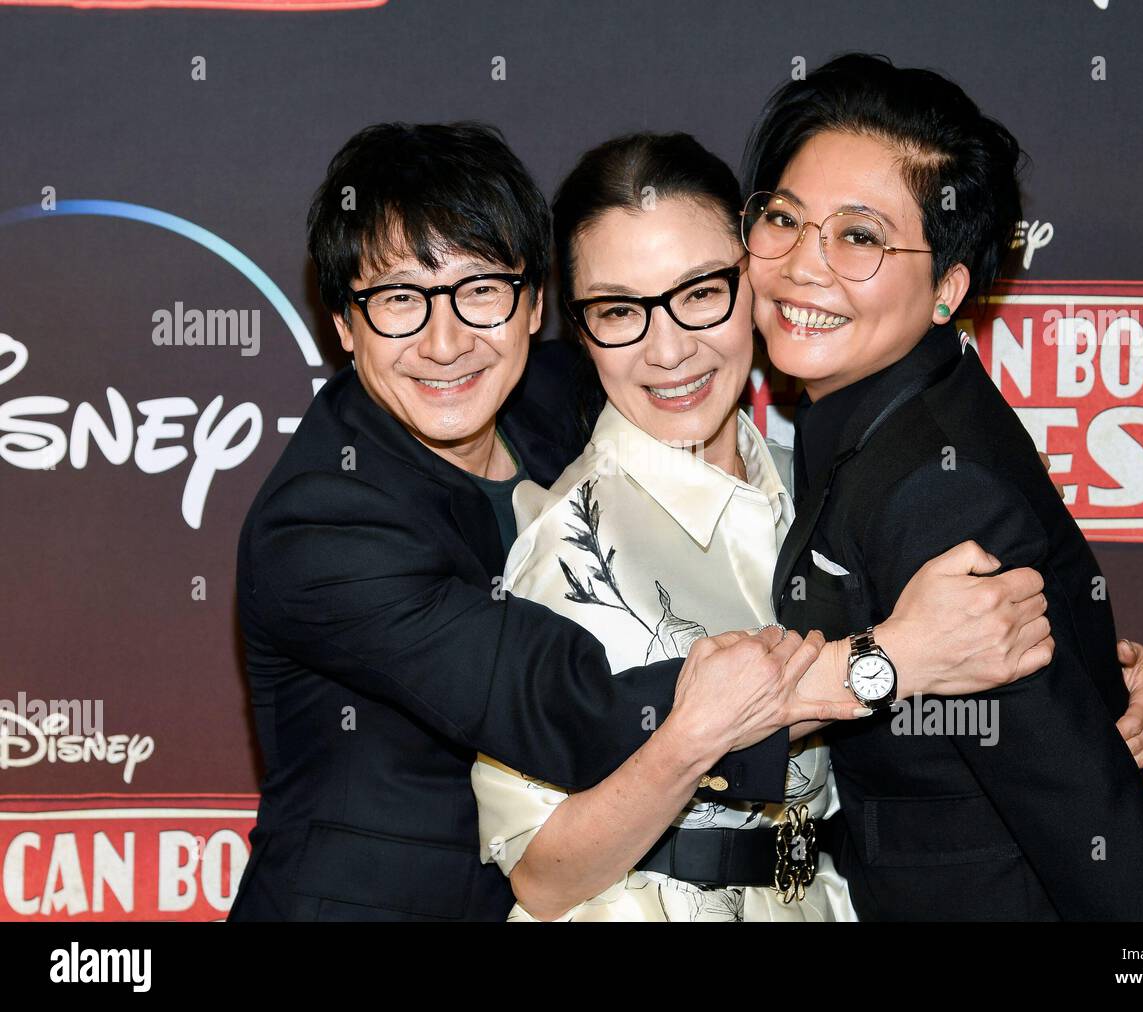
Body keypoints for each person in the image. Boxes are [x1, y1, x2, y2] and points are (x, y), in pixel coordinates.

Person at [228, 121, 1049, 921]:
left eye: (479, 291)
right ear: (342, 324)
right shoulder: (319, 529)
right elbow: (570, 700)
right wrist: (890, 659)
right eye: (400, 300)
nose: (446, 344)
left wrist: (1073, 677)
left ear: (534, 305)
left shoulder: (567, 389)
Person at [471, 132, 1143, 921]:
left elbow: (939, 710)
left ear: (754, 277)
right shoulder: (568, 543)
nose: (667, 350)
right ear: (577, 326)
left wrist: (1104, 694)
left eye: (701, 292)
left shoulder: (814, 480)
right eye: (617, 311)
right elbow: (541, 874)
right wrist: (886, 661)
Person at [743, 53, 1143, 920]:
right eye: (783, 218)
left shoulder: (934, 488)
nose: (801, 266)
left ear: (949, 289)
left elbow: (1082, 811)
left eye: (858, 236)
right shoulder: (889, 410)